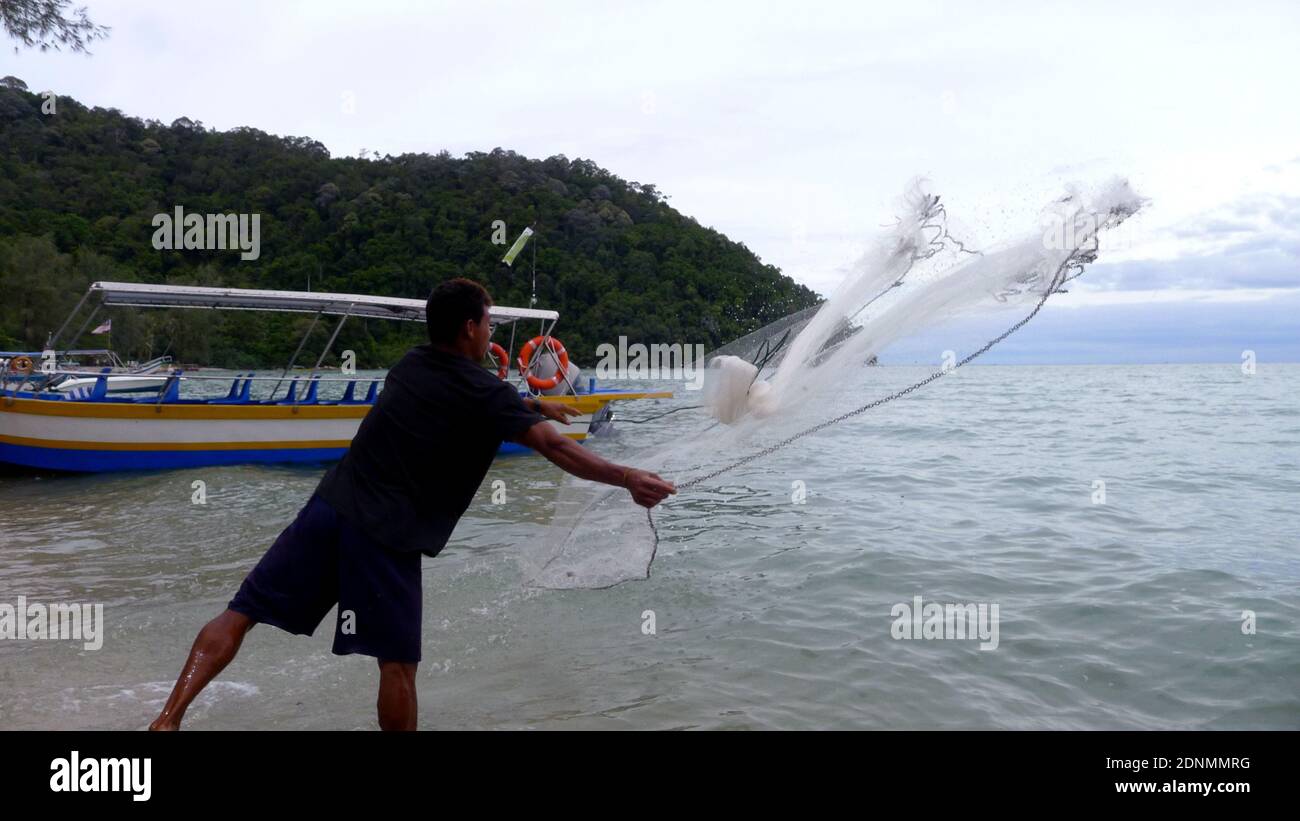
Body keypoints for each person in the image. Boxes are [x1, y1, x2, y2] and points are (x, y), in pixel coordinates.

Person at [149, 278, 676, 731]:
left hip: (330, 507)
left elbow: (471, 398)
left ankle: (167, 718)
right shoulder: (484, 394)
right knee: (397, 665)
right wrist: (625, 476)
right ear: (470, 328)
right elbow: (556, 448)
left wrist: (534, 401)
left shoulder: (411, 365)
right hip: (386, 533)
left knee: (242, 612)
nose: (490, 332)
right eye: (488, 323)